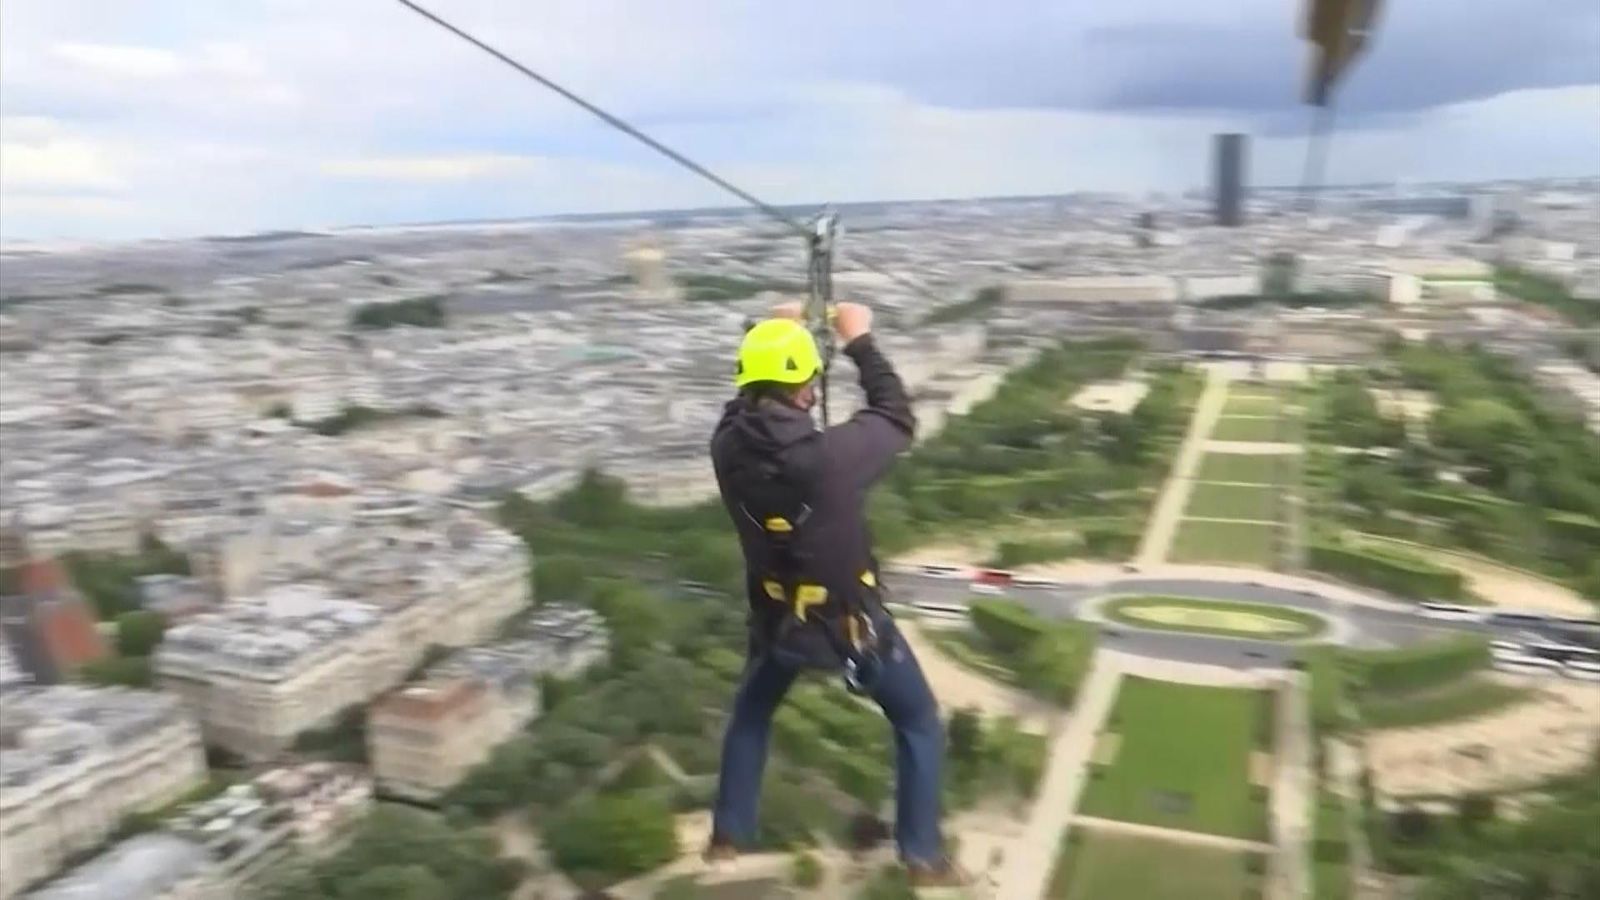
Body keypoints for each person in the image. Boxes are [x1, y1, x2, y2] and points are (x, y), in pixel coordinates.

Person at [706, 301, 963, 886]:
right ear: (806, 389)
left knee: (751, 713)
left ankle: (728, 829)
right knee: (918, 721)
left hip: (775, 625)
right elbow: (895, 414)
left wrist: (775, 335)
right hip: (851, 629)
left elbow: (742, 405)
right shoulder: (831, 459)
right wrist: (859, 340)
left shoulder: (725, 449)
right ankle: (921, 853)